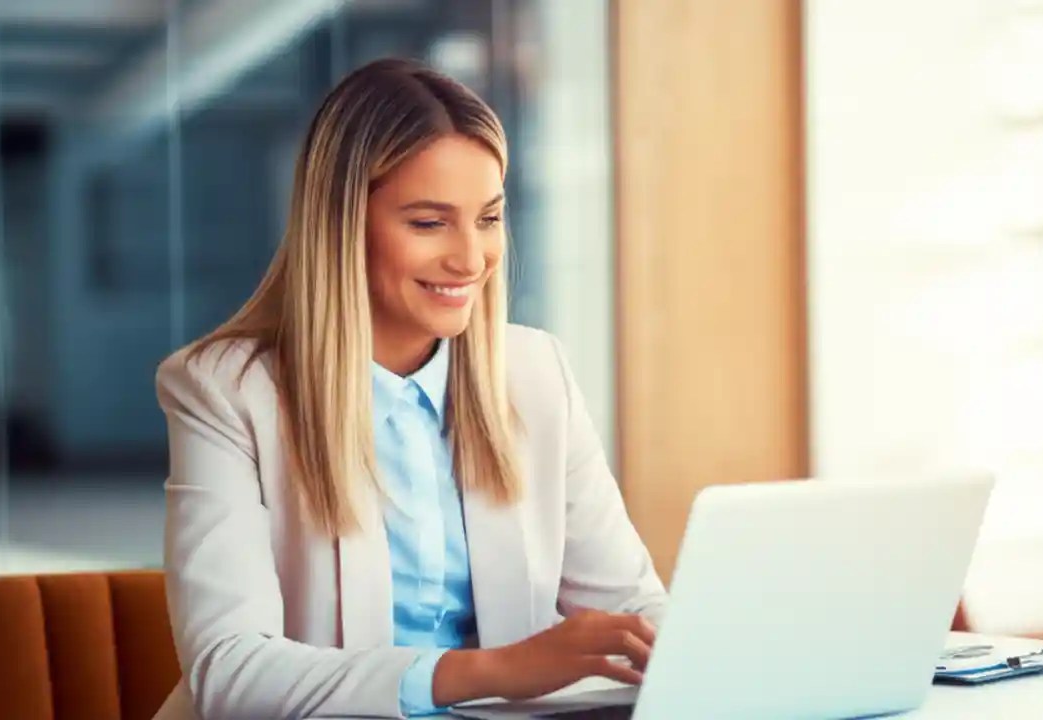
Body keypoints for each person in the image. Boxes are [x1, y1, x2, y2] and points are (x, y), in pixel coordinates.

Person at [152, 58, 666, 720]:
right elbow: (233, 672)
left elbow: (629, 605)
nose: (471, 258)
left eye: (487, 218)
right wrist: (496, 671)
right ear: (343, 226)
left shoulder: (536, 372)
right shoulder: (224, 391)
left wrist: (687, 651)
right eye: (429, 223)